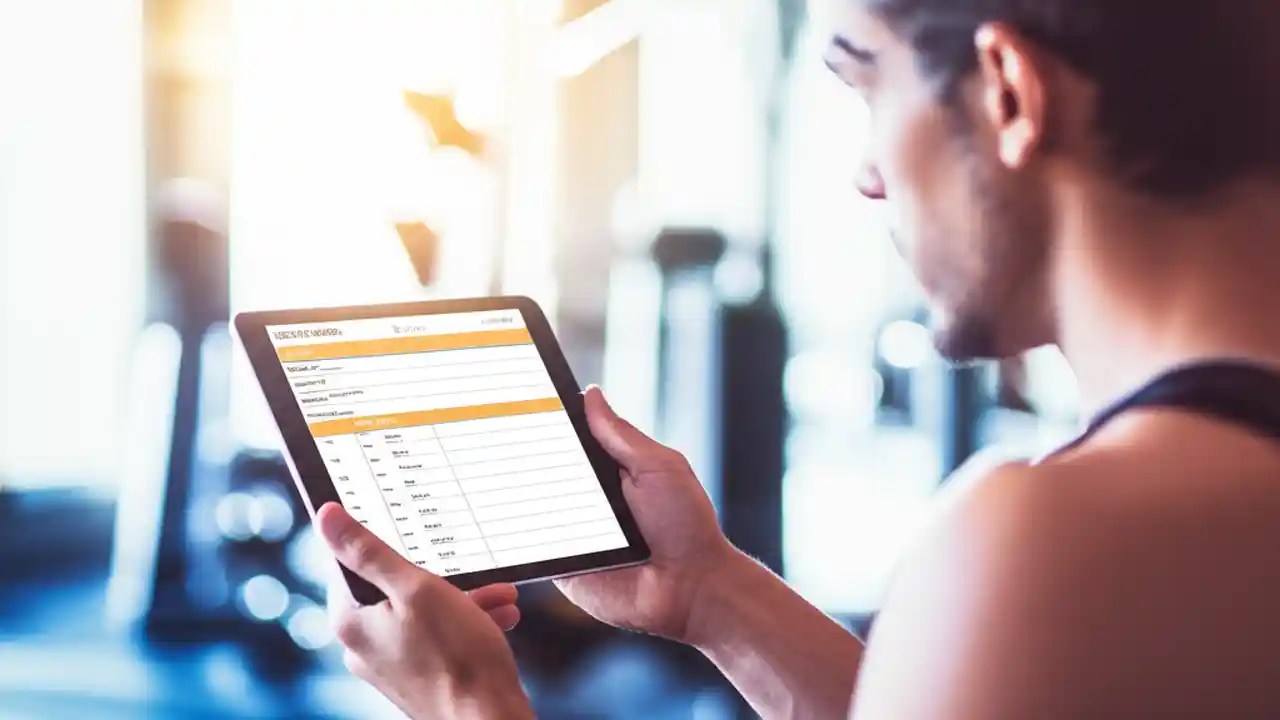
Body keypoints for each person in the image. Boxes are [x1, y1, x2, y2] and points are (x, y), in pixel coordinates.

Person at [314, 0, 1280, 717]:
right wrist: (710, 594)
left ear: (1009, 93)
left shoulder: (1059, 540)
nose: (864, 175)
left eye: (866, 84)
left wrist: (465, 700)